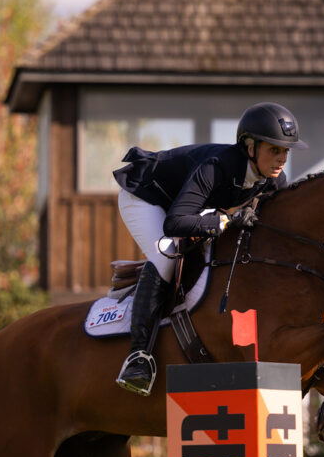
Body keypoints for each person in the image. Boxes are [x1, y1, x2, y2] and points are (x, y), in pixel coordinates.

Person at [111, 101, 307, 395]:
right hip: (146, 197)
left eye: (285, 151)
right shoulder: (217, 167)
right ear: (250, 147)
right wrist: (226, 220)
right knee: (167, 257)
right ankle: (138, 357)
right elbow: (174, 223)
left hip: (186, 203)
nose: (281, 159)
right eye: (274, 150)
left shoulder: (273, 180)